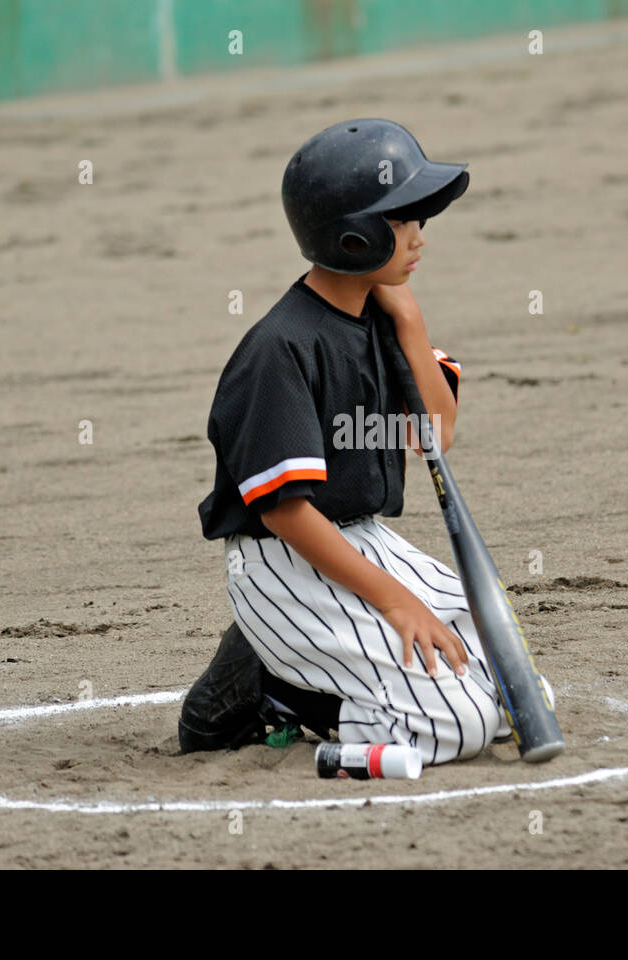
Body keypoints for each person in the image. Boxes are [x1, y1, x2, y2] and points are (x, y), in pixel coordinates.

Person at [181, 118, 509, 765]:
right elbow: (284, 510)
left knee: (506, 676)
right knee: (464, 722)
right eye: (404, 219)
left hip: (361, 542)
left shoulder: (378, 319)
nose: (419, 235)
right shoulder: (280, 349)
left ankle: (273, 659)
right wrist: (395, 600)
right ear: (355, 238)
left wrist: (412, 325)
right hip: (283, 556)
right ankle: (288, 692)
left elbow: (436, 434)